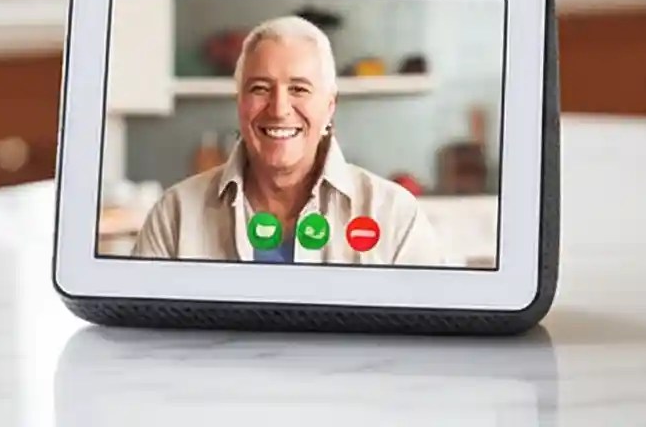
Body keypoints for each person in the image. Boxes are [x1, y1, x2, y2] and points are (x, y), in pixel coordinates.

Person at [132, 16, 444, 265]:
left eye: (299, 89)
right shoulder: (175, 215)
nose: (279, 109)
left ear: (330, 105)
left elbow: (429, 339)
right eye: (260, 89)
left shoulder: (394, 215)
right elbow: (139, 341)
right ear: (239, 101)